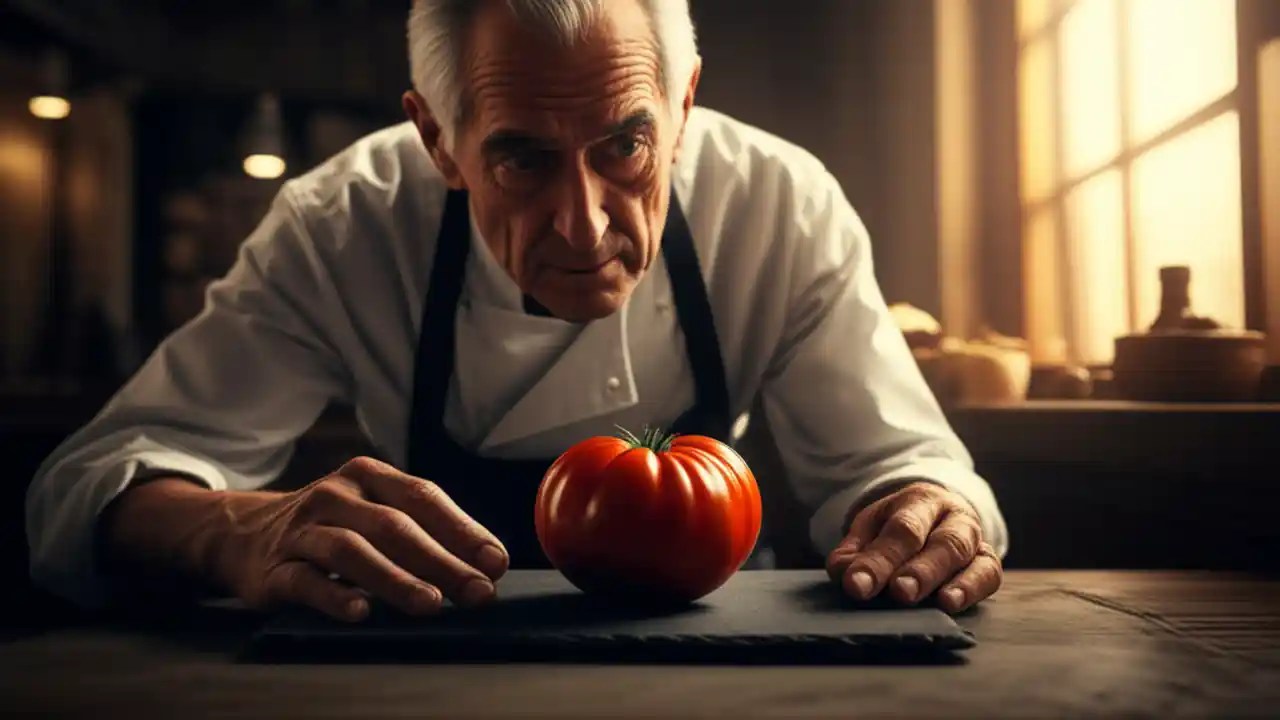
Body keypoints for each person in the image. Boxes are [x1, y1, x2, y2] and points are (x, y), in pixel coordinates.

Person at [26, 0, 1008, 623]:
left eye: (626, 146)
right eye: (521, 157)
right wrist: (233, 530)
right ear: (437, 140)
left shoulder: (777, 204)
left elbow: (895, 466)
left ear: (683, 107)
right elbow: (83, 492)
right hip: (420, 665)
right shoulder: (342, 225)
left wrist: (924, 514)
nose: (582, 228)